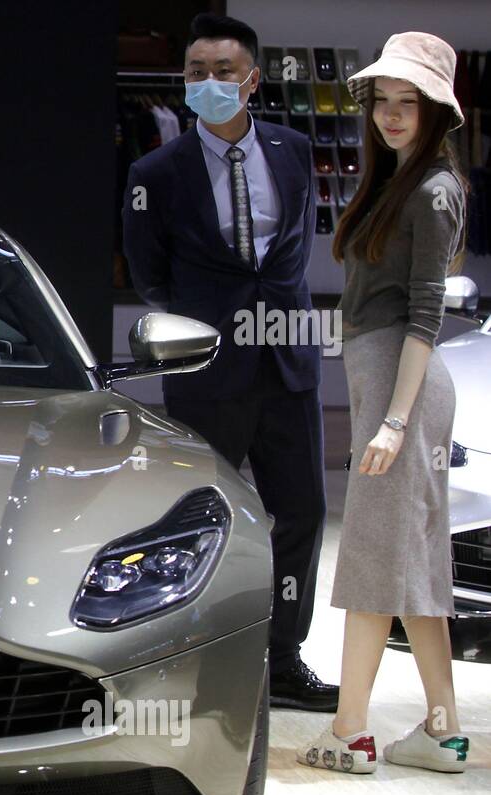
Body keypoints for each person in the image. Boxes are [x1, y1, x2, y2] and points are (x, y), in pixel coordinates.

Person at [122, 14, 335, 711]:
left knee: (301, 510)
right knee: (202, 519)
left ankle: (284, 658)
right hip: (207, 370)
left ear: (252, 78)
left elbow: (294, 249)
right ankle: (203, 661)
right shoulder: (156, 171)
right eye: (195, 72)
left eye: (222, 71)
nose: (209, 83)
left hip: (288, 361)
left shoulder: (295, 149)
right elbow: (151, 274)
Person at [298, 32, 470, 775]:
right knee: (415, 562)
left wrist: (396, 422)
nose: (392, 115)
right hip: (391, 379)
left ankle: (351, 731)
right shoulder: (397, 181)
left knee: (372, 555)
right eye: (384, 101)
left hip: (405, 384)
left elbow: (426, 314)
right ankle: (444, 730)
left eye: (411, 102)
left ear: (437, 112)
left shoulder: (433, 190)